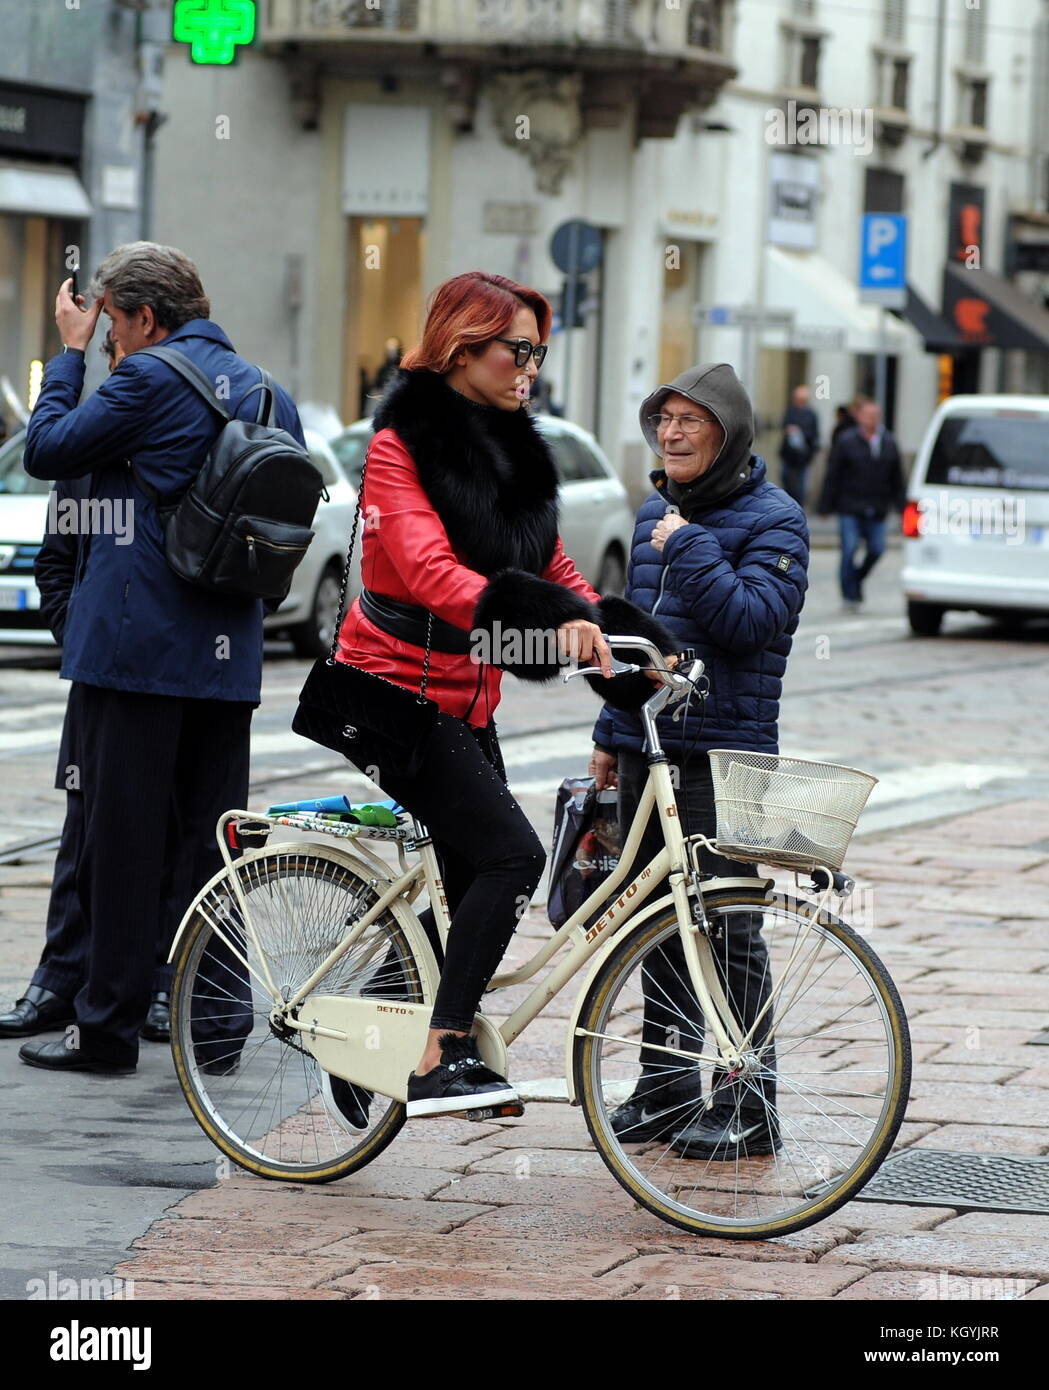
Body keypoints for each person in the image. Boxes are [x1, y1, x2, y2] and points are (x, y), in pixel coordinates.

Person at [332, 269, 664, 1119]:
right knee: (512, 856)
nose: (530, 369)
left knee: (473, 880)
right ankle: (439, 1055)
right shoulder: (400, 443)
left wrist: (611, 636)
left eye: (537, 353)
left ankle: (369, 1033)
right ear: (459, 346)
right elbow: (432, 574)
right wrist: (547, 623)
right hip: (390, 690)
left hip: (465, 696)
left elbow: (546, 565)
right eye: (517, 350)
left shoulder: (516, 442)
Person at [19, 241, 304, 1075]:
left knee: (121, 844)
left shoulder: (147, 380)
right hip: (225, 661)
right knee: (213, 848)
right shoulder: (266, 391)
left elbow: (46, 448)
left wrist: (67, 356)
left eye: (112, 331)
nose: (109, 347)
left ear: (145, 317)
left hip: (136, 655)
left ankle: (103, 1032)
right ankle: (212, 1028)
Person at [588, 362, 809, 1160]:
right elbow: (636, 647)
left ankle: (750, 1104)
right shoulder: (656, 509)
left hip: (727, 756)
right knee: (657, 929)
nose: (672, 435)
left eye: (691, 421)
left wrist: (689, 548)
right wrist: (610, 740)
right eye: (664, 420)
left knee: (728, 930)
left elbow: (750, 622)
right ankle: (666, 1089)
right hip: (652, 755)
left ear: (728, 434)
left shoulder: (774, 520)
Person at [0, 334, 172, 1044]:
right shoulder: (85, 455)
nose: (111, 358)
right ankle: (60, 978)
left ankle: (162, 984)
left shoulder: (190, 441)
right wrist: (80, 640)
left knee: (171, 831)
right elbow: (56, 566)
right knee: (84, 826)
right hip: (99, 672)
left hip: (173, 669)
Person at [819, 398, 906, 612]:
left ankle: (856, 579)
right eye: (868, 415)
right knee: (849, 550)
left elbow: (897, 477)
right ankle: (849, 594)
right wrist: (825, 505)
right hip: (850, 505)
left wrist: (902, 507)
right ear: (859, 417)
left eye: (875, 415)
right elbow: (833, 474)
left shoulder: (888, 441)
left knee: (877, 549)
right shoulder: (847, 440)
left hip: (877, 507)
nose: (872, 419)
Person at [778, 383, 820, 508]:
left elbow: (814, 434)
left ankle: (798, 508)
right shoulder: (790, 411)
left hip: (803, 456)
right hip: (788, 454)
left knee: (800, 485)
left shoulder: (811, 414)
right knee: (786, 481)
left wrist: (801, 433)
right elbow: (784, 425)